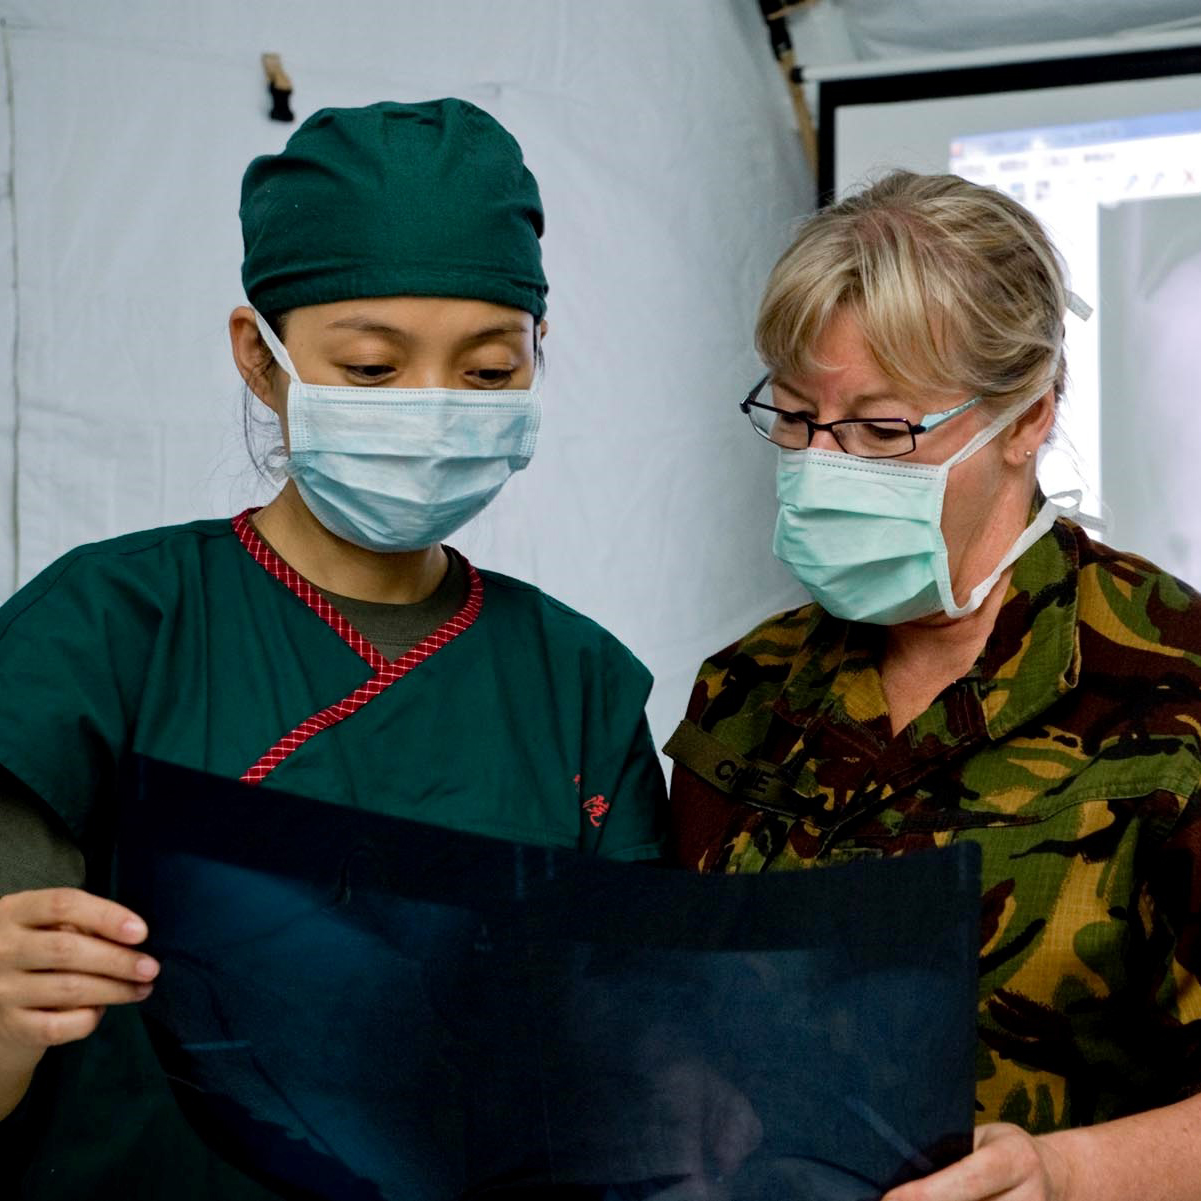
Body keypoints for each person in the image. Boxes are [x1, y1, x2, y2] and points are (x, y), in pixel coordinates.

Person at [0, 99, 666, 1197]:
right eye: (369, 368)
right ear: (260, 362)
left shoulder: (576, 683)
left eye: (488, 372)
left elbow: (627, 1064)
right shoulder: (105, 630)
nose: (435, 409)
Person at [665, 170, 1201, 1200]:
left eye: (883, 431)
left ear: (1026, 415)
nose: (822, 464)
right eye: (792, 416)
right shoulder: (746, 691)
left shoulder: (1167, 690)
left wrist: (1063, 1171)